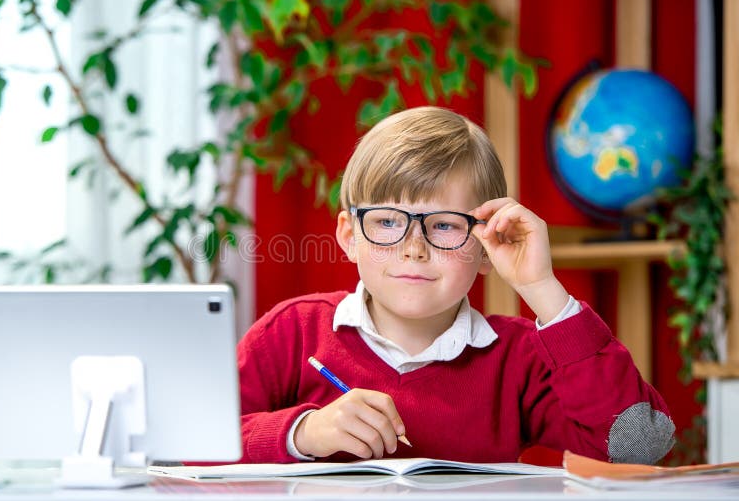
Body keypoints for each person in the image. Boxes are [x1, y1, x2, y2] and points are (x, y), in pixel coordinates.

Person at [237, 106, 675, 465]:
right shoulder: (291, 333)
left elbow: (641, 447)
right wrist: (302, 432)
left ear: (486, 246)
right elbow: (189, 446)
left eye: (444, 225)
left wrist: (540, 285)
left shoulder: (518, 360)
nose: (413, 248)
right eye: (387, 221)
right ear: (350, 236)